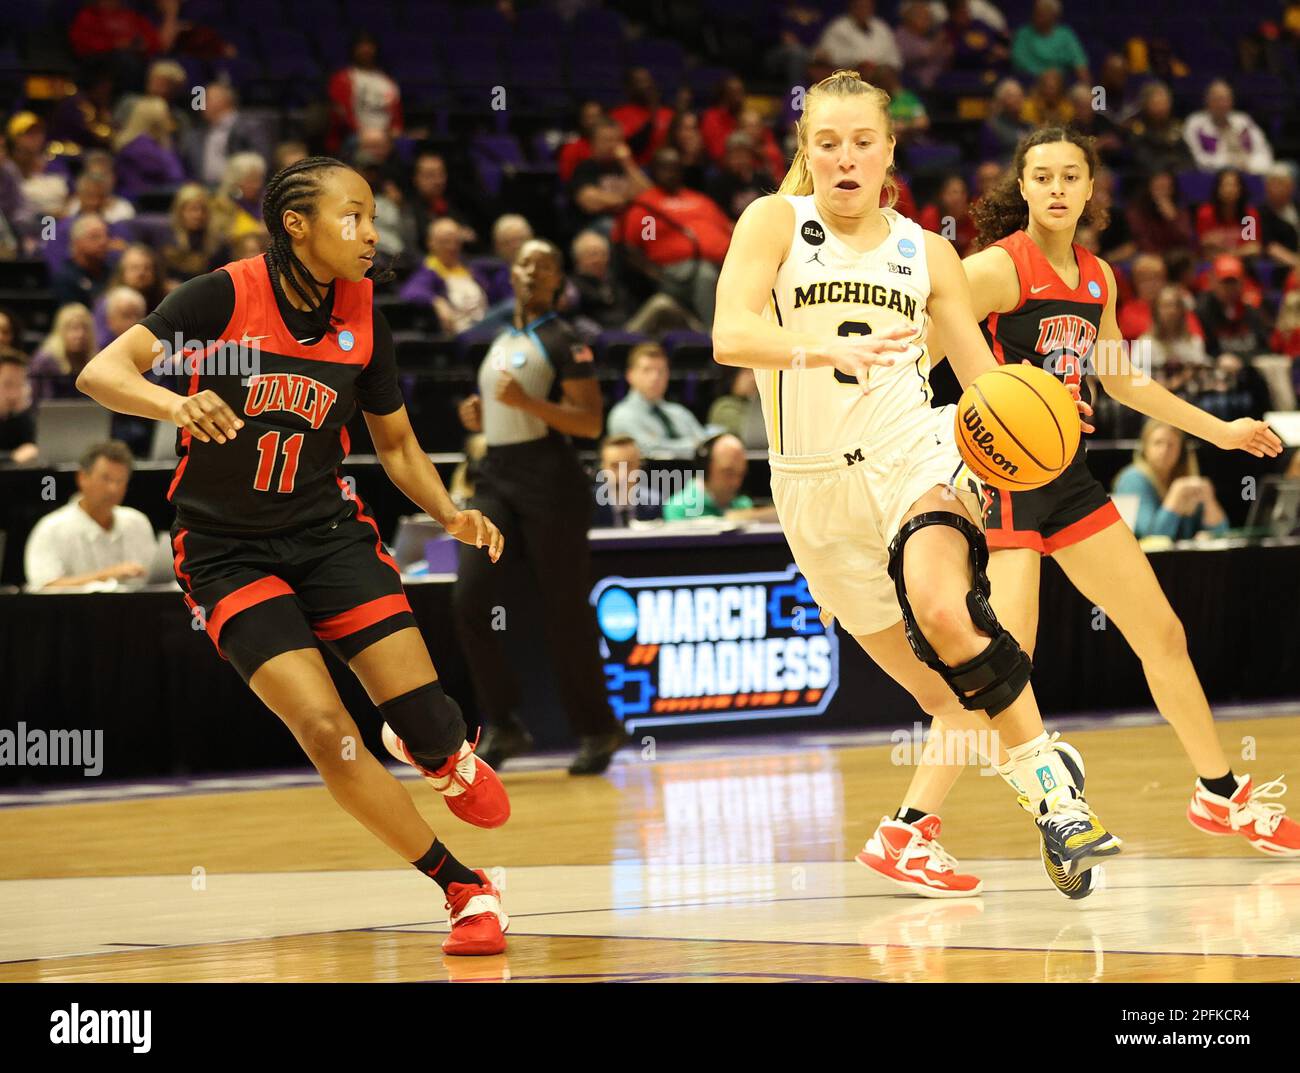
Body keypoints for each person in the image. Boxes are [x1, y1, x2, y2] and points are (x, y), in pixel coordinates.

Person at [75, 156, 512, 956]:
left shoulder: (365, 309)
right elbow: (101, 370)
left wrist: (449, 512)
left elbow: (396, 442)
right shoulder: (222, 294)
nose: (372, 233)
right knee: (322, 726)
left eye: (375, 217)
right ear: (296, 225)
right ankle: (462, 886)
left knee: (430, 727)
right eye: (353, 217)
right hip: (225, 549)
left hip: (326, 535)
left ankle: (436, 746)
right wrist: (176, 398)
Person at [713, 70, 1119, 901]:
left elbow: (981, 381)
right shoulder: (773, 221)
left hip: (913, 453)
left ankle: (1054, 795)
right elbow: (730, 333)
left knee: (947, 609)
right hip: (812, 489)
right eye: (827, 142)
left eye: (863, 140)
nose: (846, 157)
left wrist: (1037, 414)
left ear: (889, 149)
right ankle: (942, 815)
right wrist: (821, 350)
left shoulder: (925, 250)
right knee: (951, 697)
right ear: (806, 150)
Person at [881, 126, 1295, 897]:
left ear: (1090, 188)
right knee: (1000, 669)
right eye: (1043, 176)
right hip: (1005, 479)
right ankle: (910, 827)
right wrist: (975, 413)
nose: (1059, 188)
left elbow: (1125, 382)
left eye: (1072, 175)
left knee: (1162, 632)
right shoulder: (1002, 266)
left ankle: (1219, 792)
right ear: (1024, 187)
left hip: (1067, 479)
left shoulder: (1098, 277)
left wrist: (1222, 430)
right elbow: (928, 332)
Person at [452, 239, 628, 776]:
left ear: (557, 282)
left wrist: (528, 405)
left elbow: (590, 422)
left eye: (544, 265)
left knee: (564, 612)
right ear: (511, 273)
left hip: (551, 478)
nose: (532, 272)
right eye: (526, 263)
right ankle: (504, 723)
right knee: (470, 597)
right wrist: (478, 415)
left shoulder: (565, 339)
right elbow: (501, 409)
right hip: (497, 476)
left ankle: (598, 731)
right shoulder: (501, 338)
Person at [613, 147, 734, 328]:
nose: (671, 173)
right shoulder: (649, 206)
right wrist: (652, 273)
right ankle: (715, 335)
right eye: (665, 168)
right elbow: (640, 246)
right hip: (676, 274)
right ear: (654, 170)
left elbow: (727, 230)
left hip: (723, 266)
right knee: (705, 274)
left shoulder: (700, 200)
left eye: (675, 168)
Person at [23, 441, 157, 588]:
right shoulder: (51, 528)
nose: (113, 489)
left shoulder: (138, 523)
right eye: (106, 479)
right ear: (82, 478)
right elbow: (44, 587)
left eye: (120, 481)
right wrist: (107, 576)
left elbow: (154, 579)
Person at [1113, 421, 1228, 540]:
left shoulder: (1186, 479)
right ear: (1145, 447)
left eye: (1171, 444)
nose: (1164, 450)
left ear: (1181, 451)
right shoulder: (1132, 479)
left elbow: (1222, 532)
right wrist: (1175, 495)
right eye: (1158, 443)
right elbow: (1153, 538)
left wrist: (1209, 501)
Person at [607, 342, 712, 454]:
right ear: (630, 375)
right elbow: (649, 451)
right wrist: (694, 445)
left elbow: (707, 445)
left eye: (661, 371)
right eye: (647, 370)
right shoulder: (622, 415)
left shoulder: (679, 412)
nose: (655, 377)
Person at [399, 218, 490, 334]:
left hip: (486, 323)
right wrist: (436, 301)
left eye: (456, 241)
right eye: (445, 241)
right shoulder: (429, 271)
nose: (452, 247)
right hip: (461, 330)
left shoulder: (472, 269)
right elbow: (410, 292)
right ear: (431, 243)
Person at [661, 433, 763, 521]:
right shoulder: (679, 508)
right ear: (705, 468)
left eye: (740, 474)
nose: (736, 482)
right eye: (728, 473)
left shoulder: (743, 504)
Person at [1184, 79, 1274, 175]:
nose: (1222, 104)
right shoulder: (1195, 123)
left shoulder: (1243, 120)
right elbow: (1197, 159)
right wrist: (1229, 163)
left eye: (1226, 99)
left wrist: (1249, 165)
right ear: (1207, 101)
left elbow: (1263, 152)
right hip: (1214, 176)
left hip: (1249, 171)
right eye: (1217, 100)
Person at [30, 303, 99, 399]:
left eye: (85, 328)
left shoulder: (95, 360)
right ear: (61, 331)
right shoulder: (45, 361)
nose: (80, 335)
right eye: (74, 328)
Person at [1010, 0, 1089, 83]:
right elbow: (1018, 62)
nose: (1037, 17)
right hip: (1029, 81)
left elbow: (1080, 63)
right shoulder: (1023, 33)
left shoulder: (1066, 35)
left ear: (1054, 16)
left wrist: (1086, 84)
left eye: (1042, 14)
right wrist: (1046, 76)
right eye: (1036, 13)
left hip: (1060, 83)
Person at [592, 435, 662, 527]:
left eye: (629, 465)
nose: (623, 474)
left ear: (639, 467)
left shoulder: (654, 504)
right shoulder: (588, 506)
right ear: (602, 468)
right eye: (615, 466)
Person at [52, 214, 113, 308]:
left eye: (106, 236)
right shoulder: (66, 277)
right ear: (76, 242)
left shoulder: (113, 271)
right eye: (95, 237)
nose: (103, 242)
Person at [707, 366, 768, 448]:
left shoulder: (763, 404)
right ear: (733, 377)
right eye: (746, 372)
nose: (753, 378)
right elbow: (752, 434)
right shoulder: (723, 406)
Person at [0, 350, 38, 465]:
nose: (15, 394)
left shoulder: (22, 418)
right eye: (8, 384)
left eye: (20, 385)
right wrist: (11, 457)